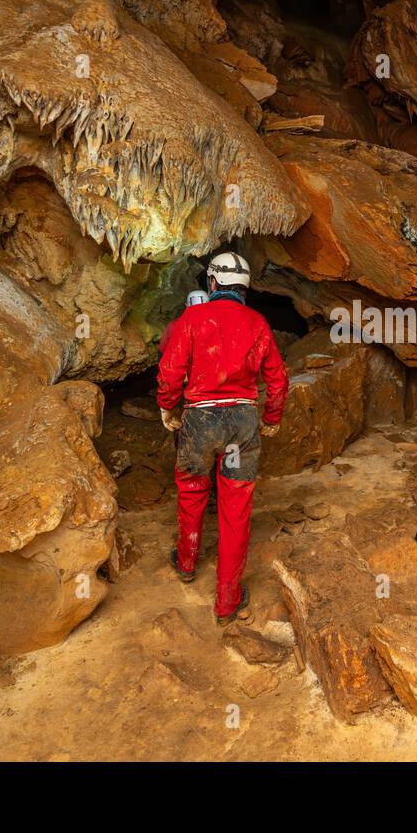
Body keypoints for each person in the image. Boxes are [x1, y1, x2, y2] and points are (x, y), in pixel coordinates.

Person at [156, 253, 288, 626]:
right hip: (241, 424)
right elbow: (278, 380)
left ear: (212, 284)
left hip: (201, 419)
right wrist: (272, 418)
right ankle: (227, 601)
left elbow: (170, 372)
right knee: (235, 506)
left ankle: (186, 561)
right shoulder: (258, 322)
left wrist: (169, 408)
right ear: (244, 289)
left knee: (193, 489)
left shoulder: (192, 319)